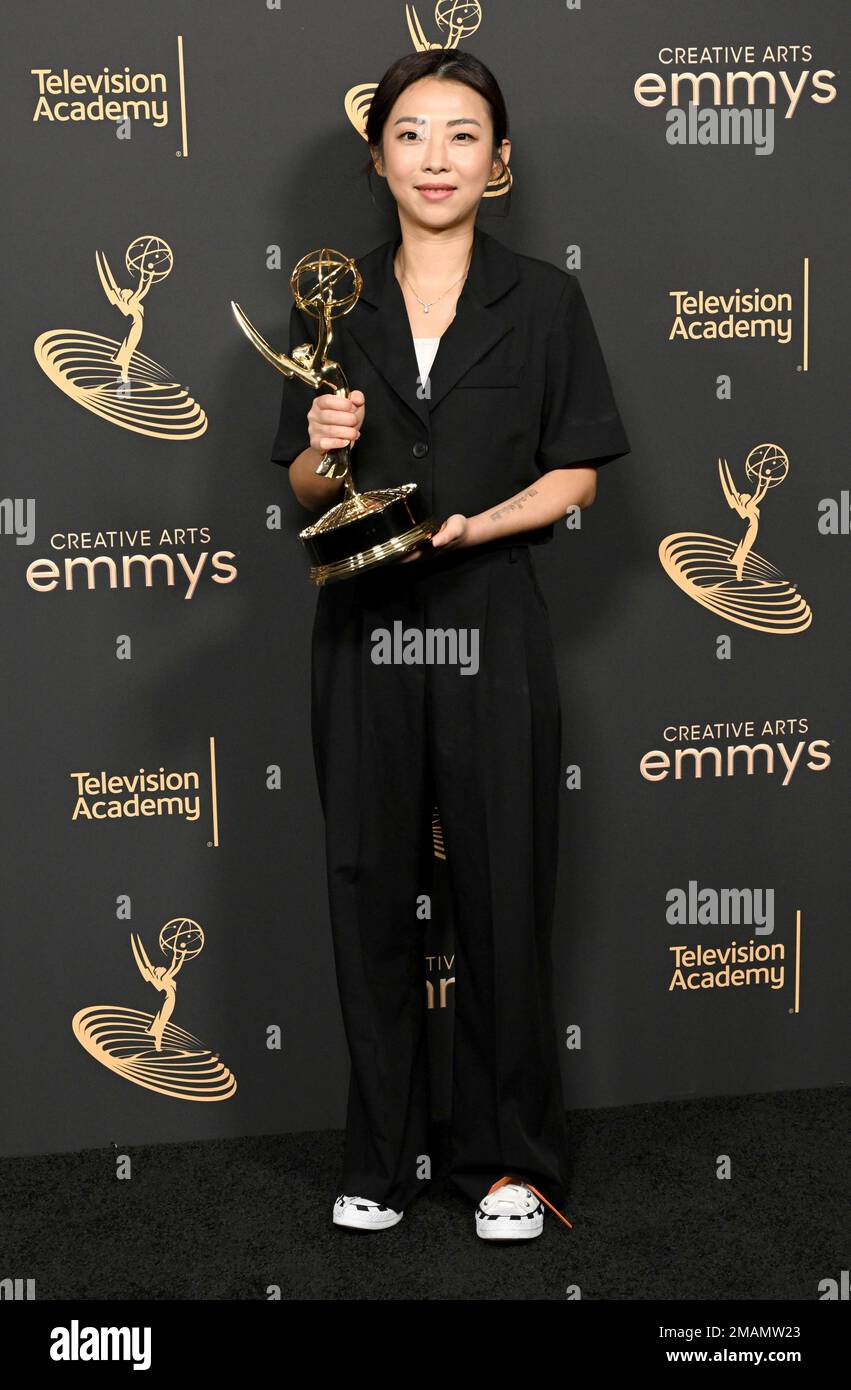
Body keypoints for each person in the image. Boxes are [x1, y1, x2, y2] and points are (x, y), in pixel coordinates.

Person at [270, 49, 631, 1241]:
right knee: (367, 884)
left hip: (489, 621)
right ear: (376, 159)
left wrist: (485, 520)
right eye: (411, 133)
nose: (436, 156)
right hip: (364, 625)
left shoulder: (544, 300)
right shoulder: (331, 299)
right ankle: (381, 1153)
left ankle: (510, 1161)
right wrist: (324, 447)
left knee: (503, 887)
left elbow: (576, 471)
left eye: (462, 134)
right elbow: (304, 488)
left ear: (500, 162)